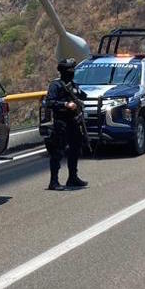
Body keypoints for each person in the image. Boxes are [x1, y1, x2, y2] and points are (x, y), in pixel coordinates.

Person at [44, 57, 87, 191]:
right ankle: (54, 182)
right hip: (61, 122)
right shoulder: (55, 85)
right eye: (69, 70)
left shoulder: (73, 85)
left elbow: (83, 96)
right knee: (57, 151)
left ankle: (73, 177)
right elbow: (49, 102)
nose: (72, 72)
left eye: (73, 70)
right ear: (63, 71)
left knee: (75, 149)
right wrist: (66, 104)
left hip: (73, 122)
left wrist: (79, 97)